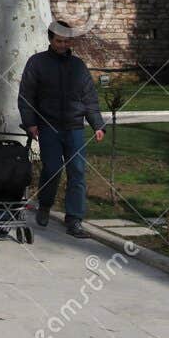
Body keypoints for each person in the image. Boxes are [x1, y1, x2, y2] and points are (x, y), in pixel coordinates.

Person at [19, 24, 106, 238]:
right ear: (51, 40)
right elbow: (26, 96)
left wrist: (97, 124)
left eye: (67, 41)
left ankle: (74, 219)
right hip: (48, 126)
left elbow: (89, 97)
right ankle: (45, 204)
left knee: (77, 171)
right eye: (59, 41)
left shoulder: (78, 66)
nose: (63, 45)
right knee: (52, 169)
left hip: (74, 127)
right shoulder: (37, 62)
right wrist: (30, 123)